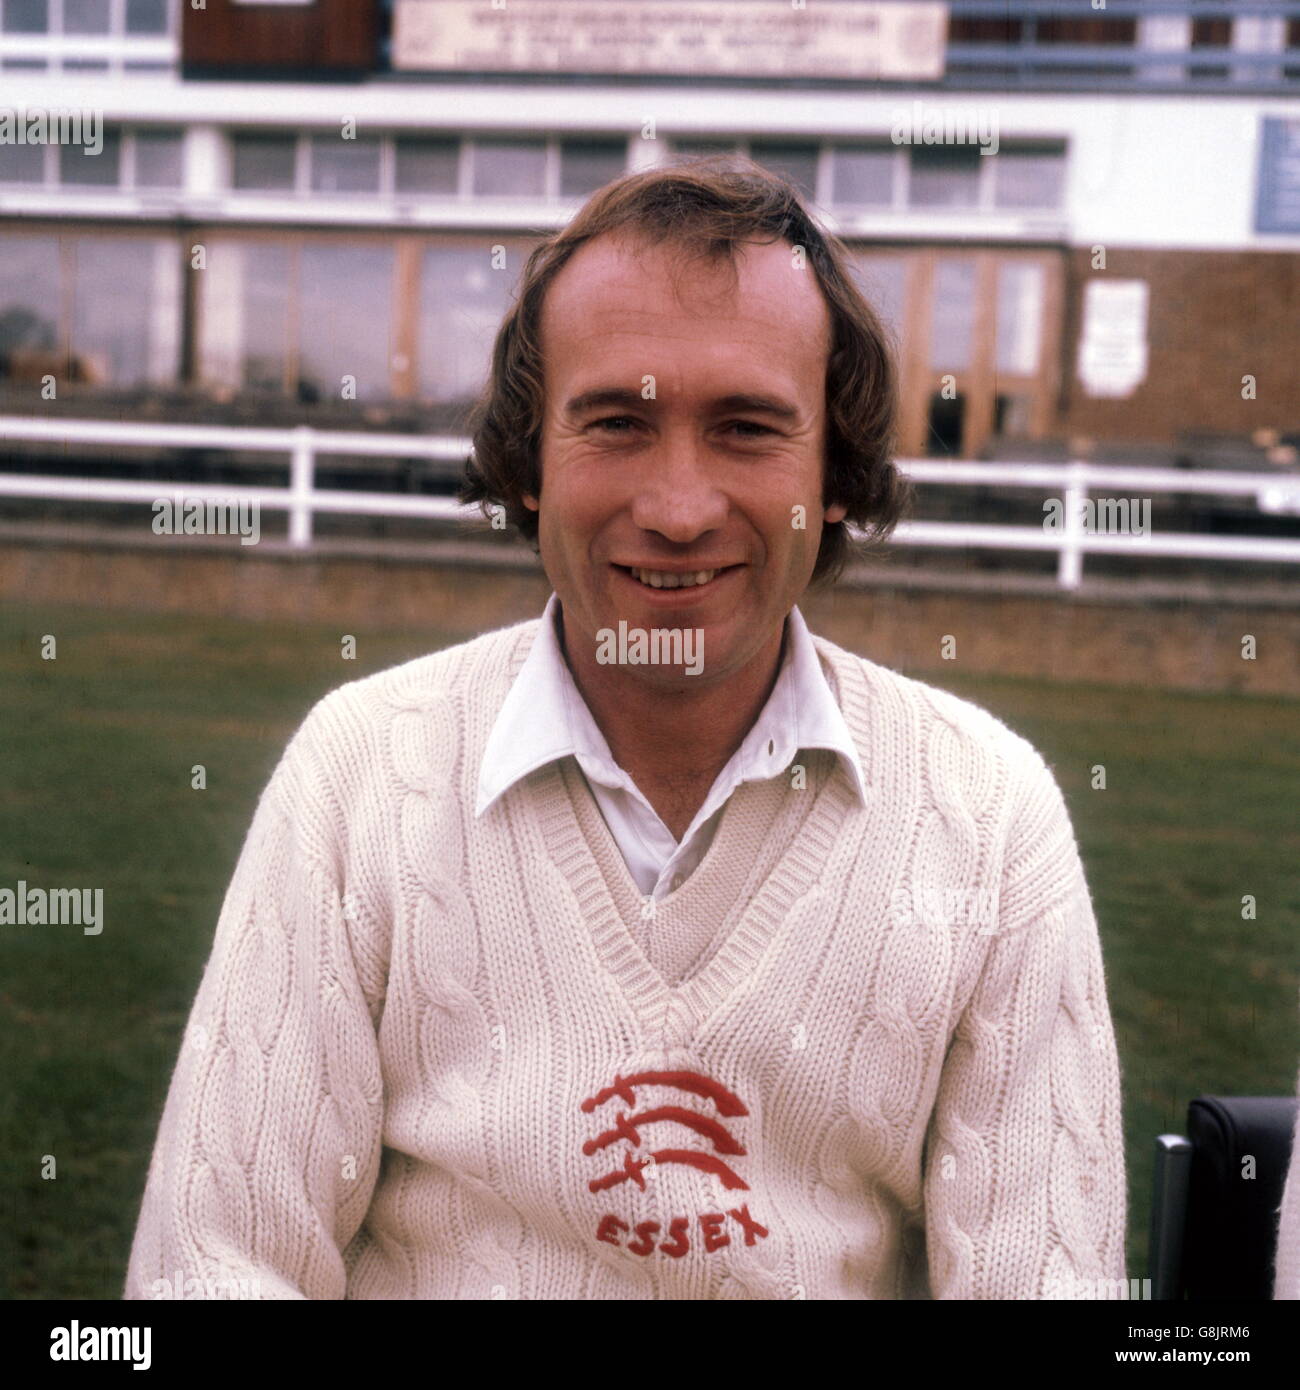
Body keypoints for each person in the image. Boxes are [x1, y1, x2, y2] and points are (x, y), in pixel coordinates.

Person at [124, 157, 1126, 1300]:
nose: (678, 507)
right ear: (530, 462)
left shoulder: (989, 814)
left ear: (835, 474)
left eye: (747, 428)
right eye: (615, 422)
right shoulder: (361, 768)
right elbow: (217, 1265)